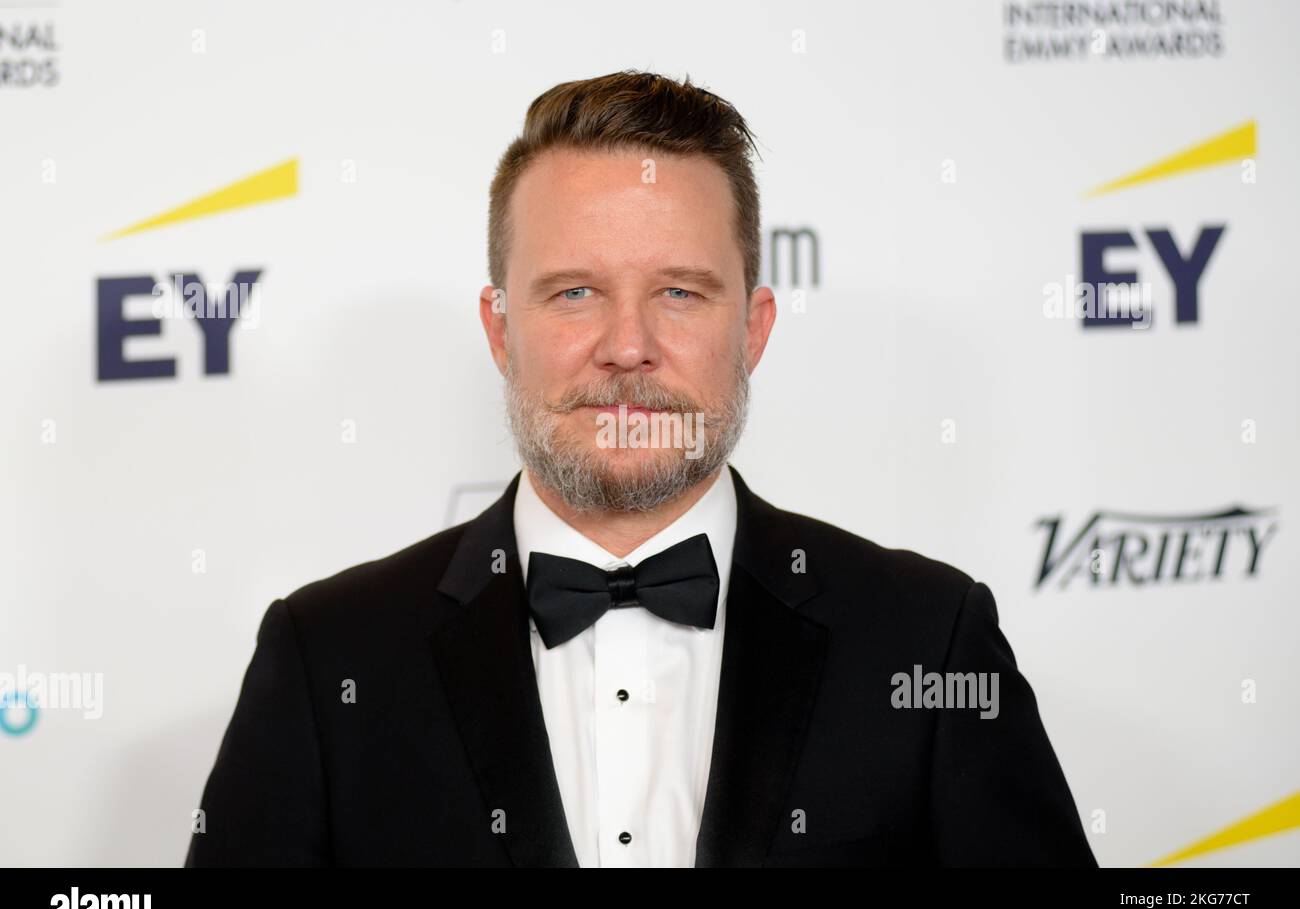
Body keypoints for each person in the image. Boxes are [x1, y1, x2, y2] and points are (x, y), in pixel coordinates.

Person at [186, 69, 1096, 867]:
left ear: (754, 328)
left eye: (679, 292)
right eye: (574, 291)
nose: (628, 346)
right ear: (501, 328)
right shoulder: (327, 657)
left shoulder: (925, 638)